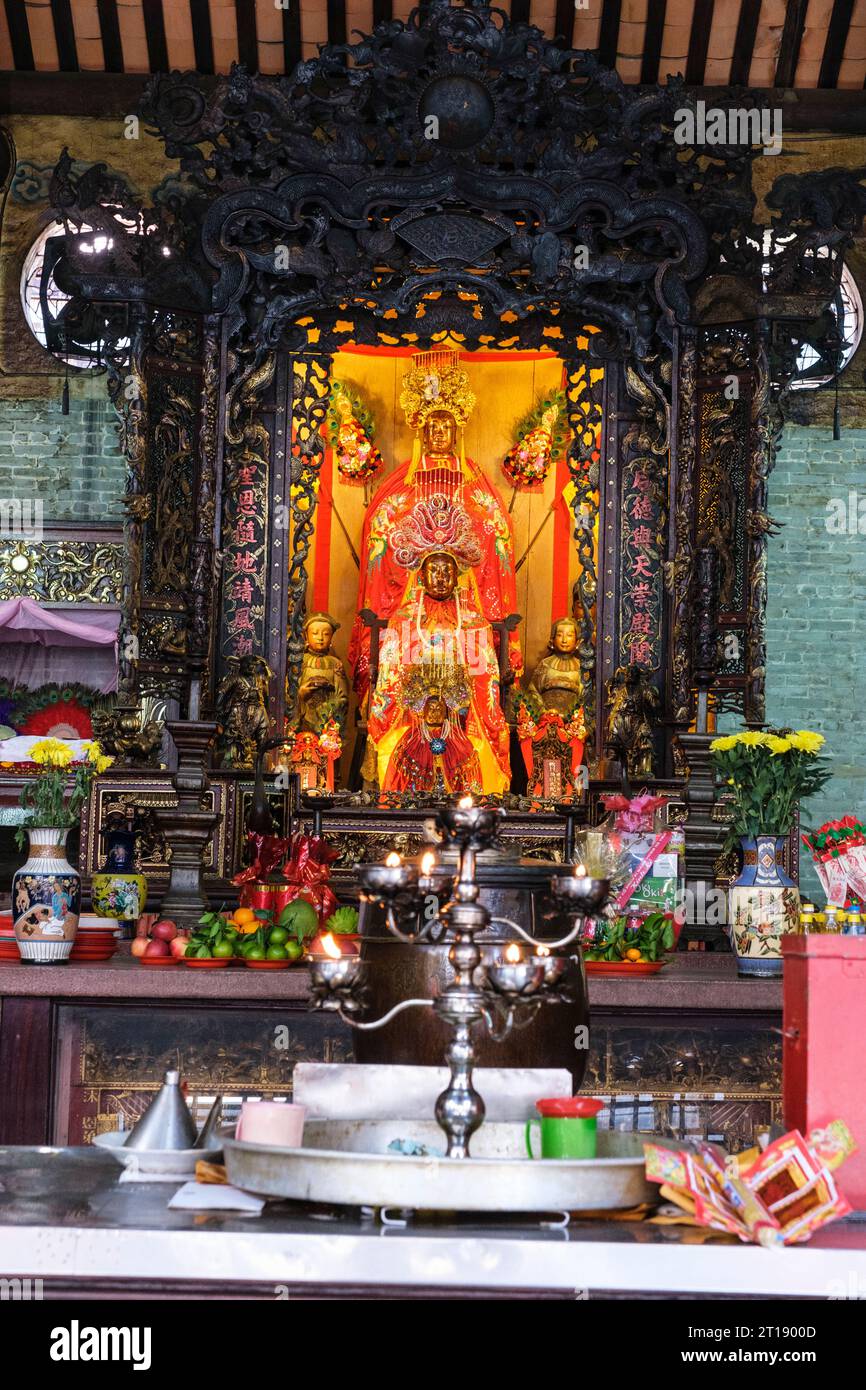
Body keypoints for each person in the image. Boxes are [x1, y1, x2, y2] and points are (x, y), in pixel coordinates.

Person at [349, 348, 521, 708]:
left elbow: (494, 534)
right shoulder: (401, 485)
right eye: (433, 424)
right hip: (411, 615)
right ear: (422, 430)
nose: (440, 432)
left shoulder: (475, 484)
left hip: (464, 614)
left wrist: (463, 561)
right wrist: (416, 567)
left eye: (447, 425)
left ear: (457, 430)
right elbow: (382, 535)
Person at [367, 515, 511, 795]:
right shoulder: (405, 619)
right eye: (434, 570)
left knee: (475, 746)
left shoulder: (473, 621)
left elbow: (486, 679)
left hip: (461, 718)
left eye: (448, 570)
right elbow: (389, 676)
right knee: (398, 743)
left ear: (458, 577)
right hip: (413, 718)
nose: (442, 577)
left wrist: (459, 705)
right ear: (421, 575)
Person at [295, 613, 349, 735]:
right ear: (306, 637)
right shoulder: (300, 661)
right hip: (304, 717)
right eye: (315, 633)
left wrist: (327, 707)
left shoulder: (335, 664)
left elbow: (343, 697)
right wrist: (300, 694)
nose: (320, 638)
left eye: (326, 634)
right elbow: (287, 693)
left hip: (327, 721)